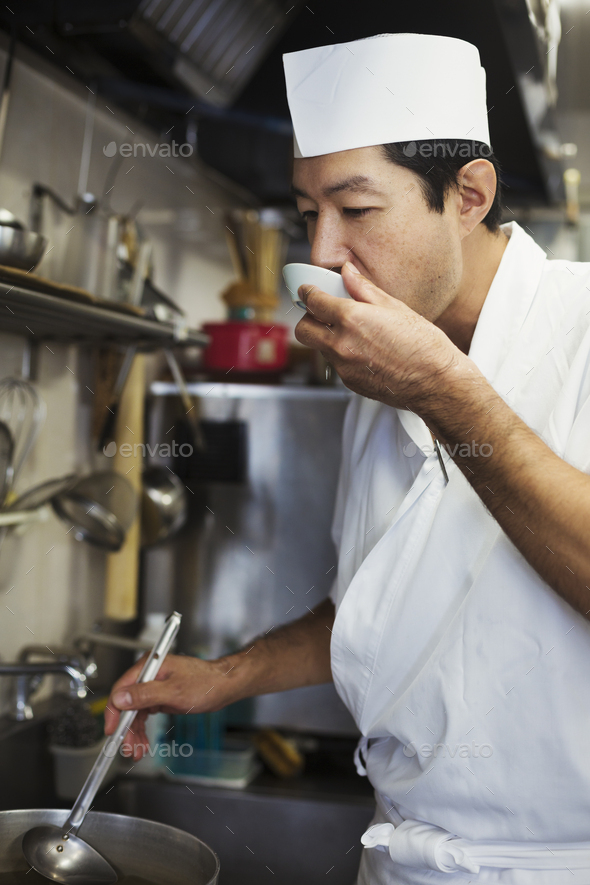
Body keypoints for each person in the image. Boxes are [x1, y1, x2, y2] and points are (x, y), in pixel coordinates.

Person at [106, 33, 590, 884]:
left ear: (469, 194)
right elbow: (379, 602)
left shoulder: (576, 332)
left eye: (357, 210)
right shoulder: (379, 362)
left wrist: (444, 390)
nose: (324, 253)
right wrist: (223, 678)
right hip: (398, 859)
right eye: (306, 212)